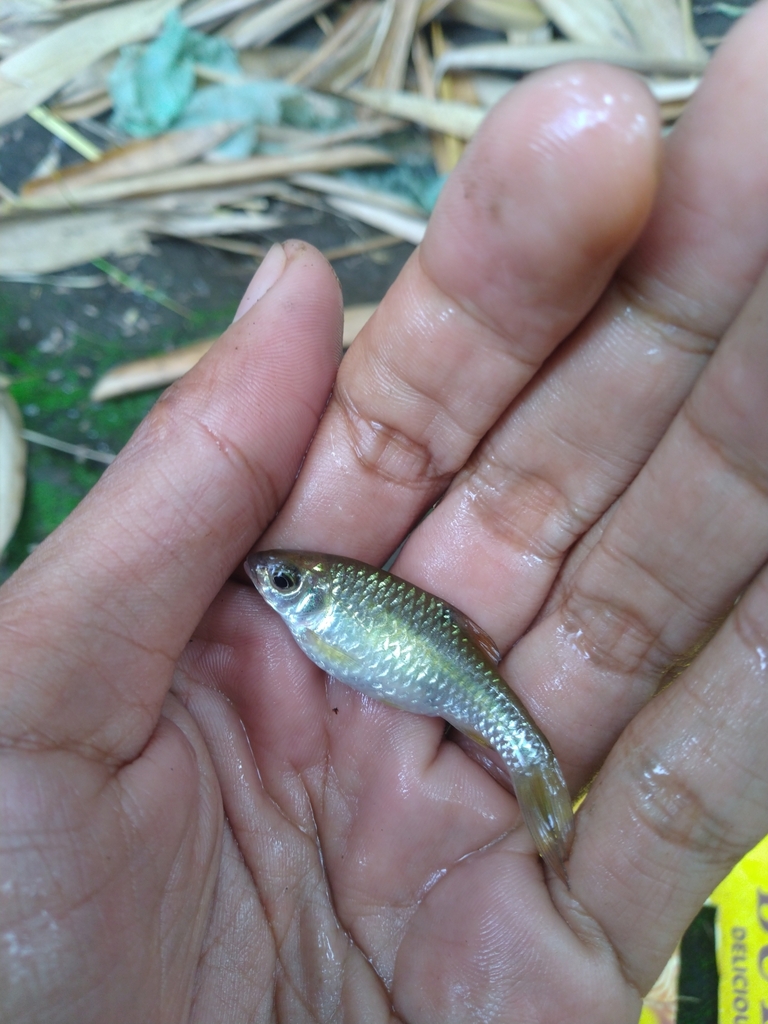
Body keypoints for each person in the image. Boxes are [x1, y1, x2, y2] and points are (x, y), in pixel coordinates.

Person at [2, 3, 768, 1020]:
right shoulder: (318, 624)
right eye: (282, 580)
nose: (273, 585)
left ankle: (535, 774)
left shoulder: (324, 615)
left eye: (286, 581)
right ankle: (539, 784)